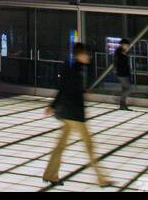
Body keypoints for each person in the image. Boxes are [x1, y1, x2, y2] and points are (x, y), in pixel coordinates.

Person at [42, 43, 113, 187]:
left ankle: (50, 174)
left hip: (71, 114)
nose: (88, 56)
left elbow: (66, 89)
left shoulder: (75, 69)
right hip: (75, 114)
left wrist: (54, 105)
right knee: (89, 146)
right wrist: (53, 106)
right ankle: (102, 179)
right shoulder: (74, 71)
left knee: (61, 146)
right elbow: (64, 90)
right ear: (80, 55)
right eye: (86, 54)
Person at [113, 38, 131, 109]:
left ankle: (123, 105)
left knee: (125, 88)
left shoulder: (122, 51)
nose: (127, 46)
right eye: (127, 45)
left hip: (123, 72)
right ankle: (121, 102)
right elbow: (118, 62)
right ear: (123, 45)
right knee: (128, 88)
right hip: (122, 73)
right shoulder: (119, 52)